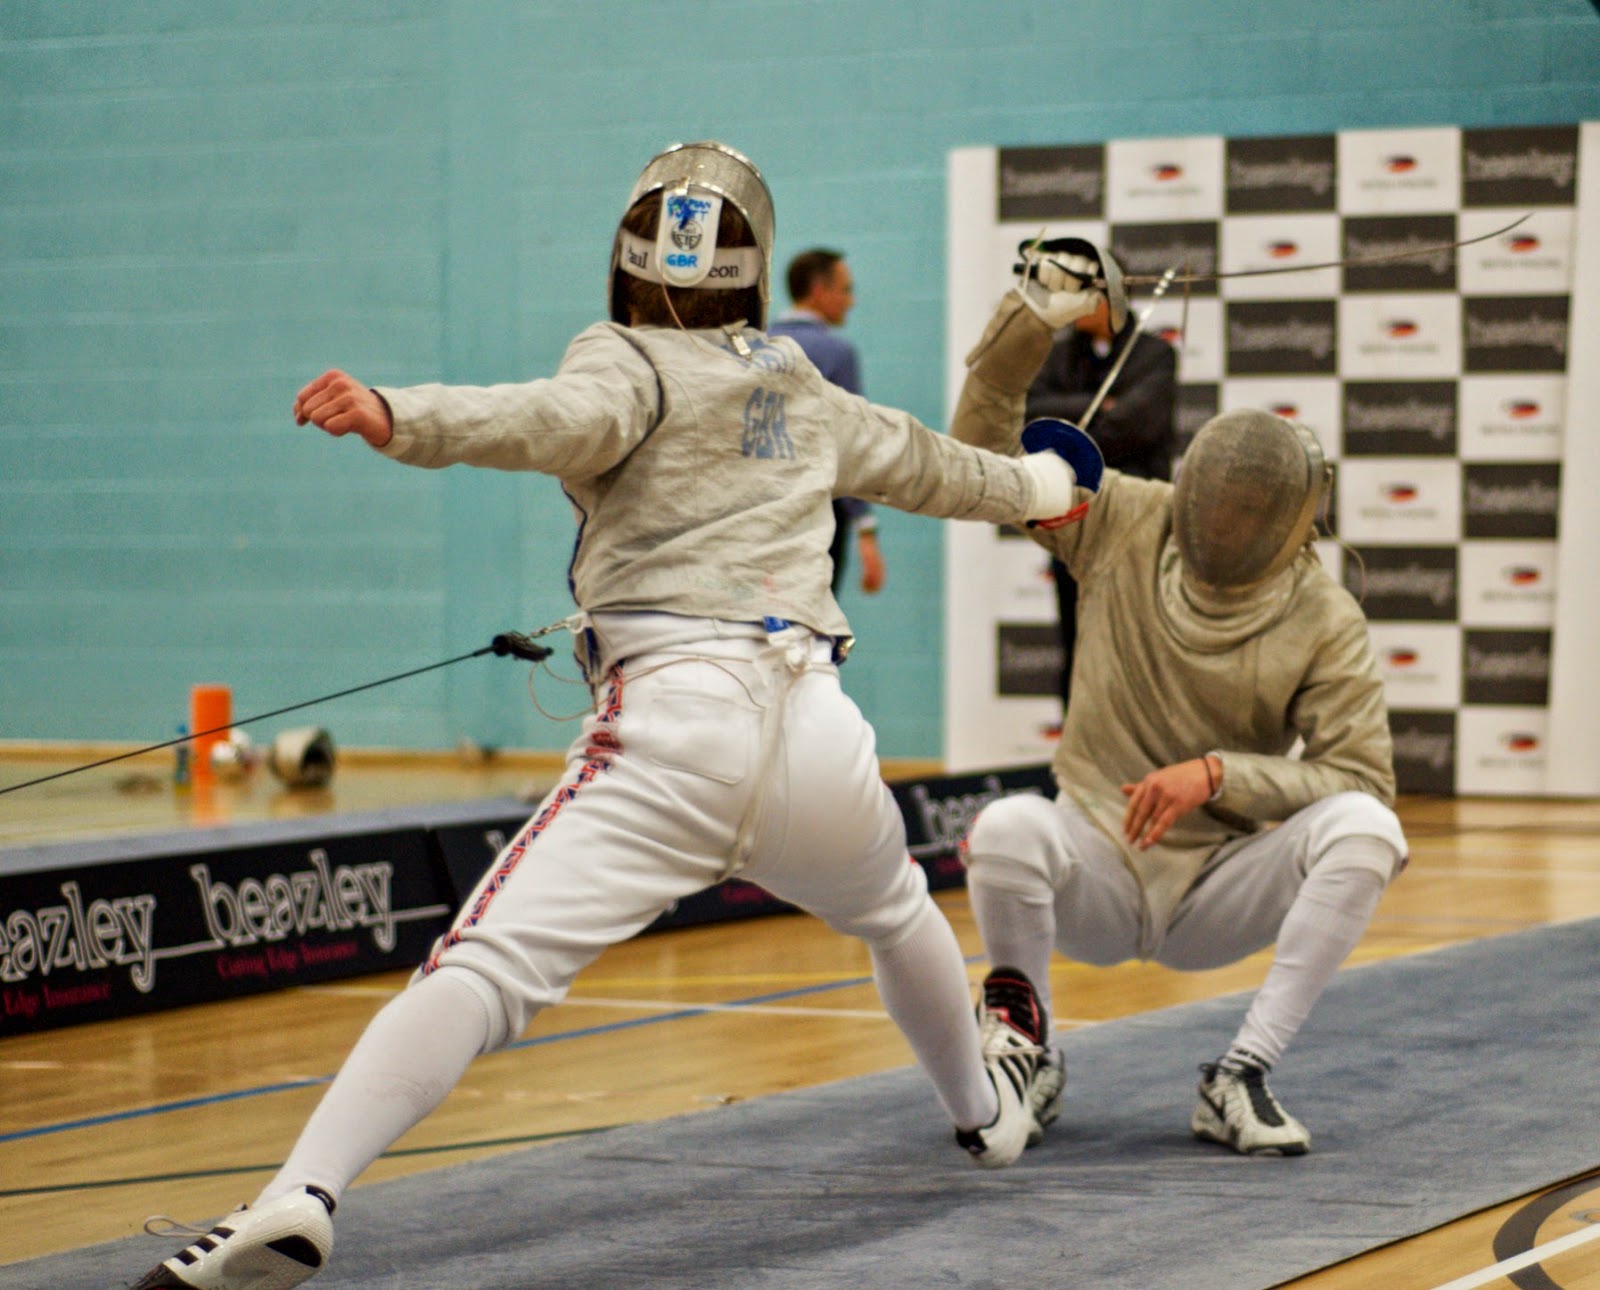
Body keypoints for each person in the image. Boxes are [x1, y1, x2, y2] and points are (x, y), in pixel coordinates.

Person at [131, 142, 1110, 1289]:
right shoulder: (801, 381)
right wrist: (1054, 485)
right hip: (818, 734)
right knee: (895, 914)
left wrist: (398, 413)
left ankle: (300, 1194)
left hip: (674, 726)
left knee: (487, 969)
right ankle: (985, 1115)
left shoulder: (626, 359)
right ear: (751, 270)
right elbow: (946, 468)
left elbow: (548, 418)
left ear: (628, 263)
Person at [946, 264, 1407, 1158]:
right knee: (1006, 828)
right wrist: (1032, 317)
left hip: (1219, 885)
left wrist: (1220, 775)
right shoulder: (1123, 515)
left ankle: (1240, 1073)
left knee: (1366, 829)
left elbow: (1362, 779)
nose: (1222, 525)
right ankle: (1025, 1053)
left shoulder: (1323, 614)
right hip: (1099, 862)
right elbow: (978, 460)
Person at [1024, 292, 1176, 714]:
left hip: (1135, 520)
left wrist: (1073, 428)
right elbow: (1032, 416)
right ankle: (1073, 751)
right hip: (1072, 521)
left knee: (1138, 638)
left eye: (1085, 296)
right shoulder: (1054, 357)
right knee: (1075, 636)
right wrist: (1098, 407)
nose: (1073, 307)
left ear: (1113, 298)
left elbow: (1139, 424)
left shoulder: (1155, 354)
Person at [768, 248, 886, 596]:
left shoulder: (756, 345)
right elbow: (849, 443)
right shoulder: (838, 354)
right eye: (846, 290)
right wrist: (865, 528)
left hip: (763, 514)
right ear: (819, 291)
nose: (851, 301)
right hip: (819, 515)